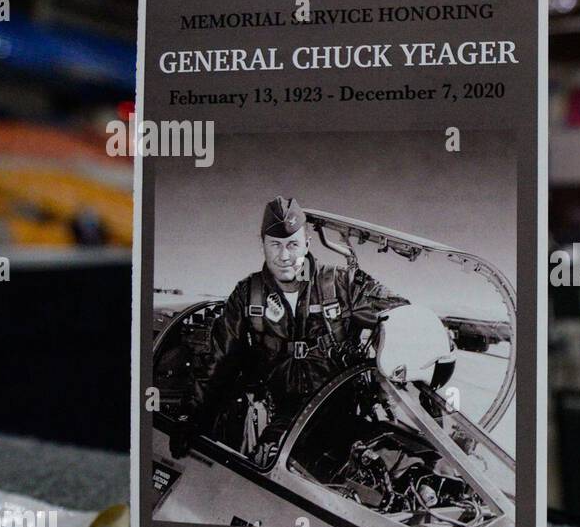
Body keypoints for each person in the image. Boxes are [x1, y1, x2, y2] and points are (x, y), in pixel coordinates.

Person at [171, 196, 407, 459]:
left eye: (292, 244)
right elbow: (217, 359)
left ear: (306, 244)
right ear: (262, 245)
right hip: (288, 419)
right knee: (265, 467)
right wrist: (190, 415)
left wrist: (422, 336)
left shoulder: (343, 285)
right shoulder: (248, 295)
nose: (284, 256)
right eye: (275, 244)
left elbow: (401, 315)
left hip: (347, 414)